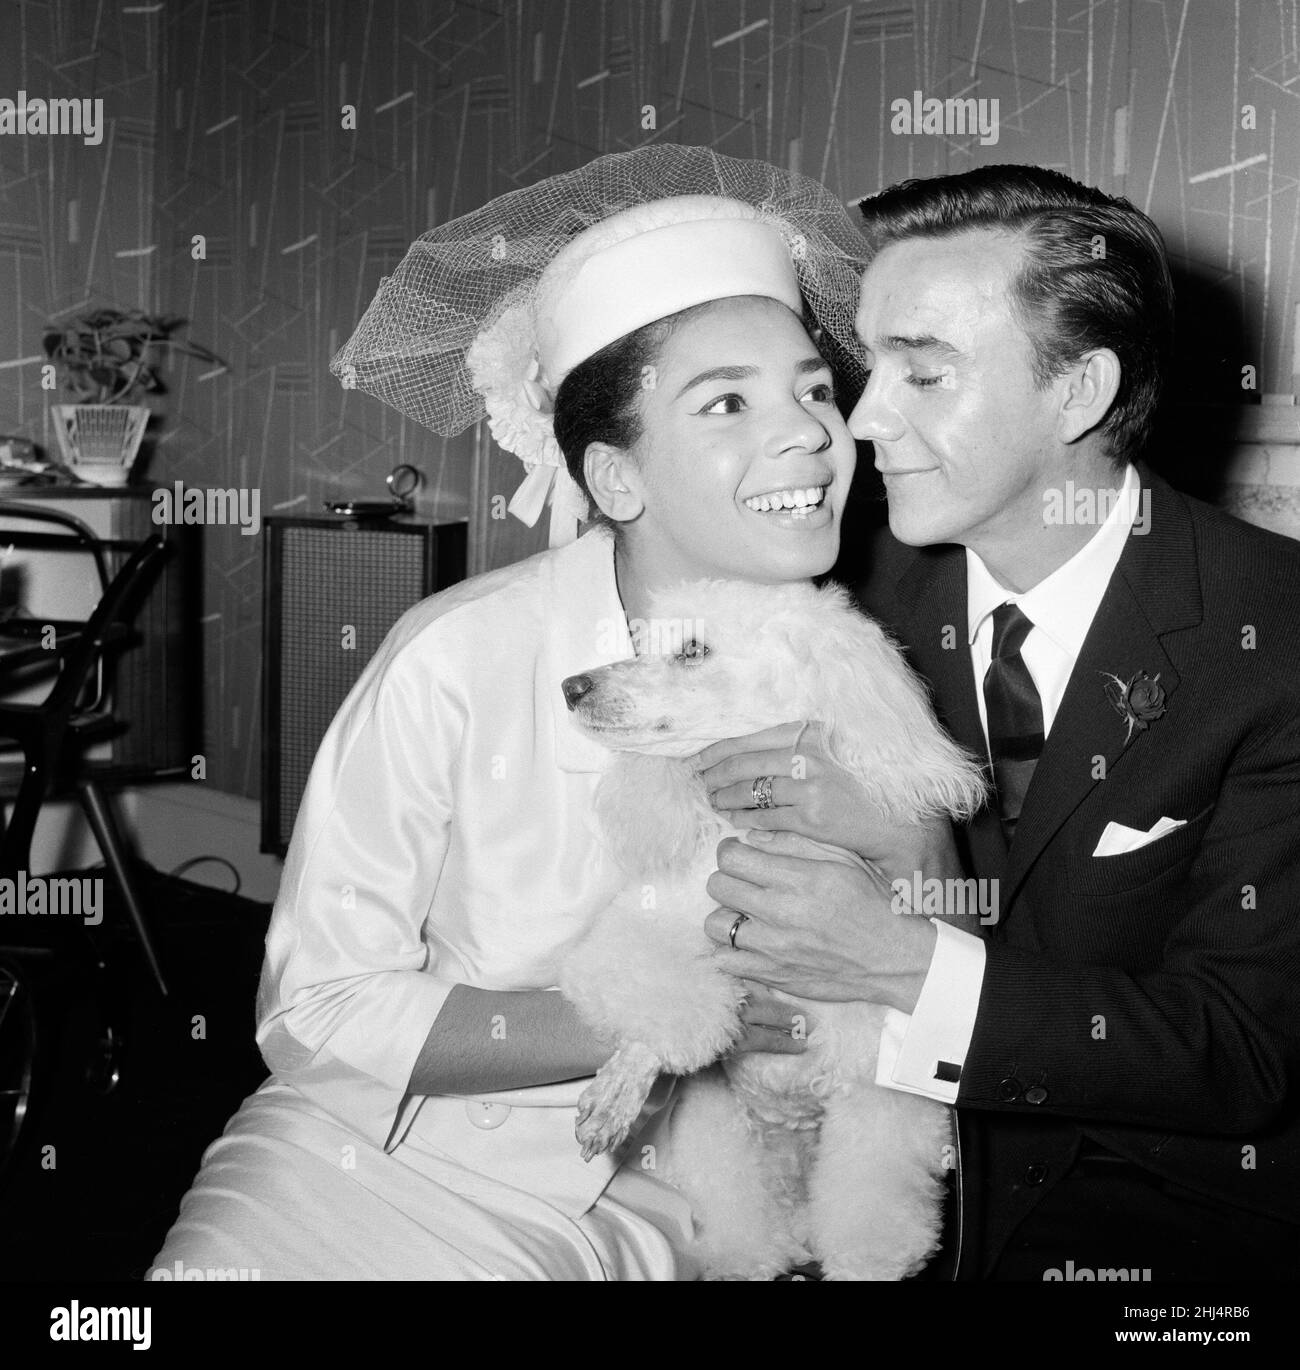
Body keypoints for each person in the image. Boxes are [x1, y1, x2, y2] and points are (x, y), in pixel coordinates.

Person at [149, 145, 874, 1281]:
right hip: (381, 1152)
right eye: (727, 399)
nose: (811, 433)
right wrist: (682, 1015)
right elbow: (321, 1009)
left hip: (670, 1194)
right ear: (616, 478)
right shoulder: (457, 656)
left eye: (815, 389)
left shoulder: (846, 670)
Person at [695, 164, 1300, 1281]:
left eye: (923, 374)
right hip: (866, 1159)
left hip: (1166, 1205)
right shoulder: (837, 591)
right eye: (864, 369)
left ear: (1077, 392)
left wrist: (899, 962)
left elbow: (1240, 1048)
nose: (862, 422)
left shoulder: (1274, 638)